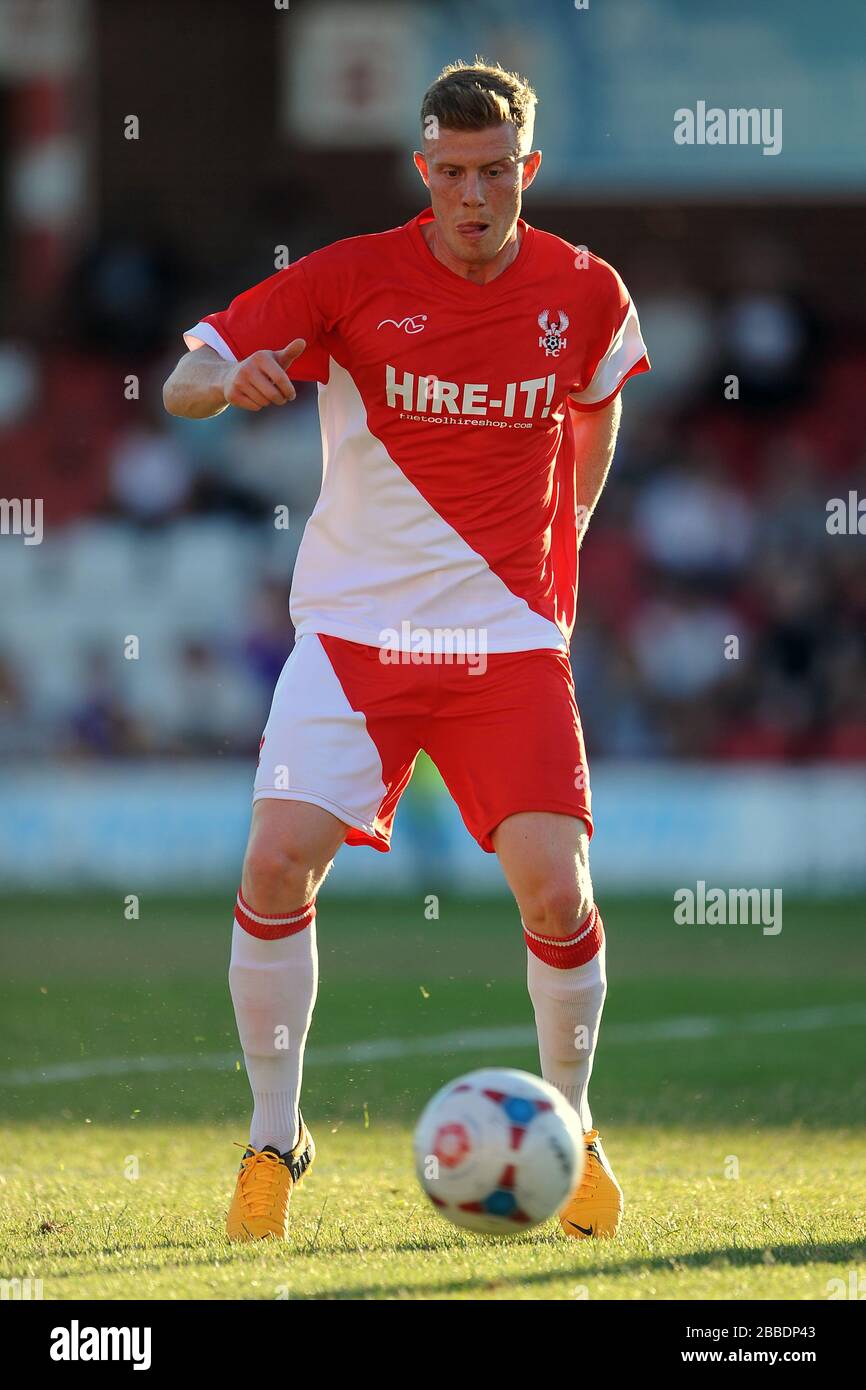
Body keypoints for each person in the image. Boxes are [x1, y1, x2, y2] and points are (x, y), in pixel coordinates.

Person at [163, 60, 649, 1243]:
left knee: (554, 885)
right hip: (351, 633)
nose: (472, 196)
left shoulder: (583, 291)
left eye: (495, 174)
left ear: (525, 170)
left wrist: (566, 535)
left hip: (506, 642)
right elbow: (181, 381)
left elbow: (595, 404)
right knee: (277, 861)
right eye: (451, 173)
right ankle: (274, 1138)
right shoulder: (344, 278)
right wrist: (232, 380)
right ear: (421, 170)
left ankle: (570, 1132)